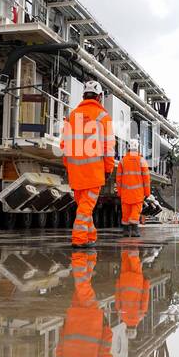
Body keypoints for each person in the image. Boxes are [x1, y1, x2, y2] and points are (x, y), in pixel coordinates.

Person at [58, 250, 114, 357]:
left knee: (83, 286)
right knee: (81, 288)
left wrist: (106, 328)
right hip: (73, 322)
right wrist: (64, 327)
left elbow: (105, 352)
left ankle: (81, 256)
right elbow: (59, 351)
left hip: (92, 324)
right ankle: (88, 258)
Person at [57, 80, 115, 248]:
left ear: (84, 96)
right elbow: (108, 148)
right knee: (85, 208)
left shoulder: (72, 116)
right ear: (99, 97)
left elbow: (64, 146)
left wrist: (69, 167)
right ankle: (80, 239)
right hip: (93, 172)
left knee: (85, 207)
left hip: (76, 172)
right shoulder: (104, 118)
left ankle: (90, 237)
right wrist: (108, 169)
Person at [117, 138, 151, 237]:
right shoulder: (142, 161)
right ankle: (135, 231)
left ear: (128, 148)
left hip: (125, 193)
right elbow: (146, 179)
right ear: (138, 148)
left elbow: (118, 179)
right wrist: (147, 193)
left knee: (126, 213)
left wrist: (119, 192)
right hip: (137, 194)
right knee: (135, 212)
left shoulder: (122, 161)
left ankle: (126, 231)